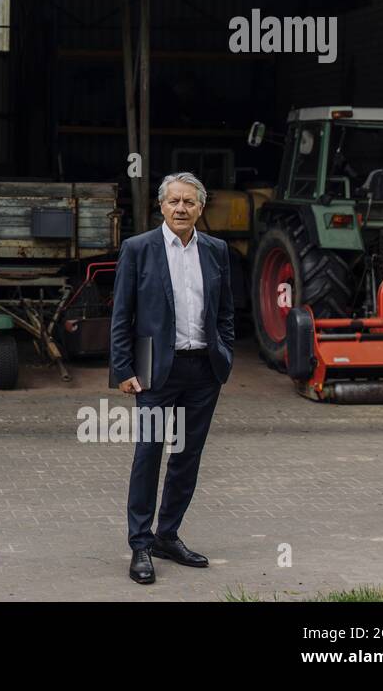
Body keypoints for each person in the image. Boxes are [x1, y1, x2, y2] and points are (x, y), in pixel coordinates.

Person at [109, 172, 235, 584]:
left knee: (187, 457)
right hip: (152, 367)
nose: (181, 208)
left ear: (201, 207)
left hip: (203, 369)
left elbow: (226, 312)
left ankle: (168, 535)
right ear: (161, 206)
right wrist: (124, 369)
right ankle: (140, 545)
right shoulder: (138, 248)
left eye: (189, 202)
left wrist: (225, 355)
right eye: (173, 201)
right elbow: (122, 314)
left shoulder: (216, 250)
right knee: (148, 454)